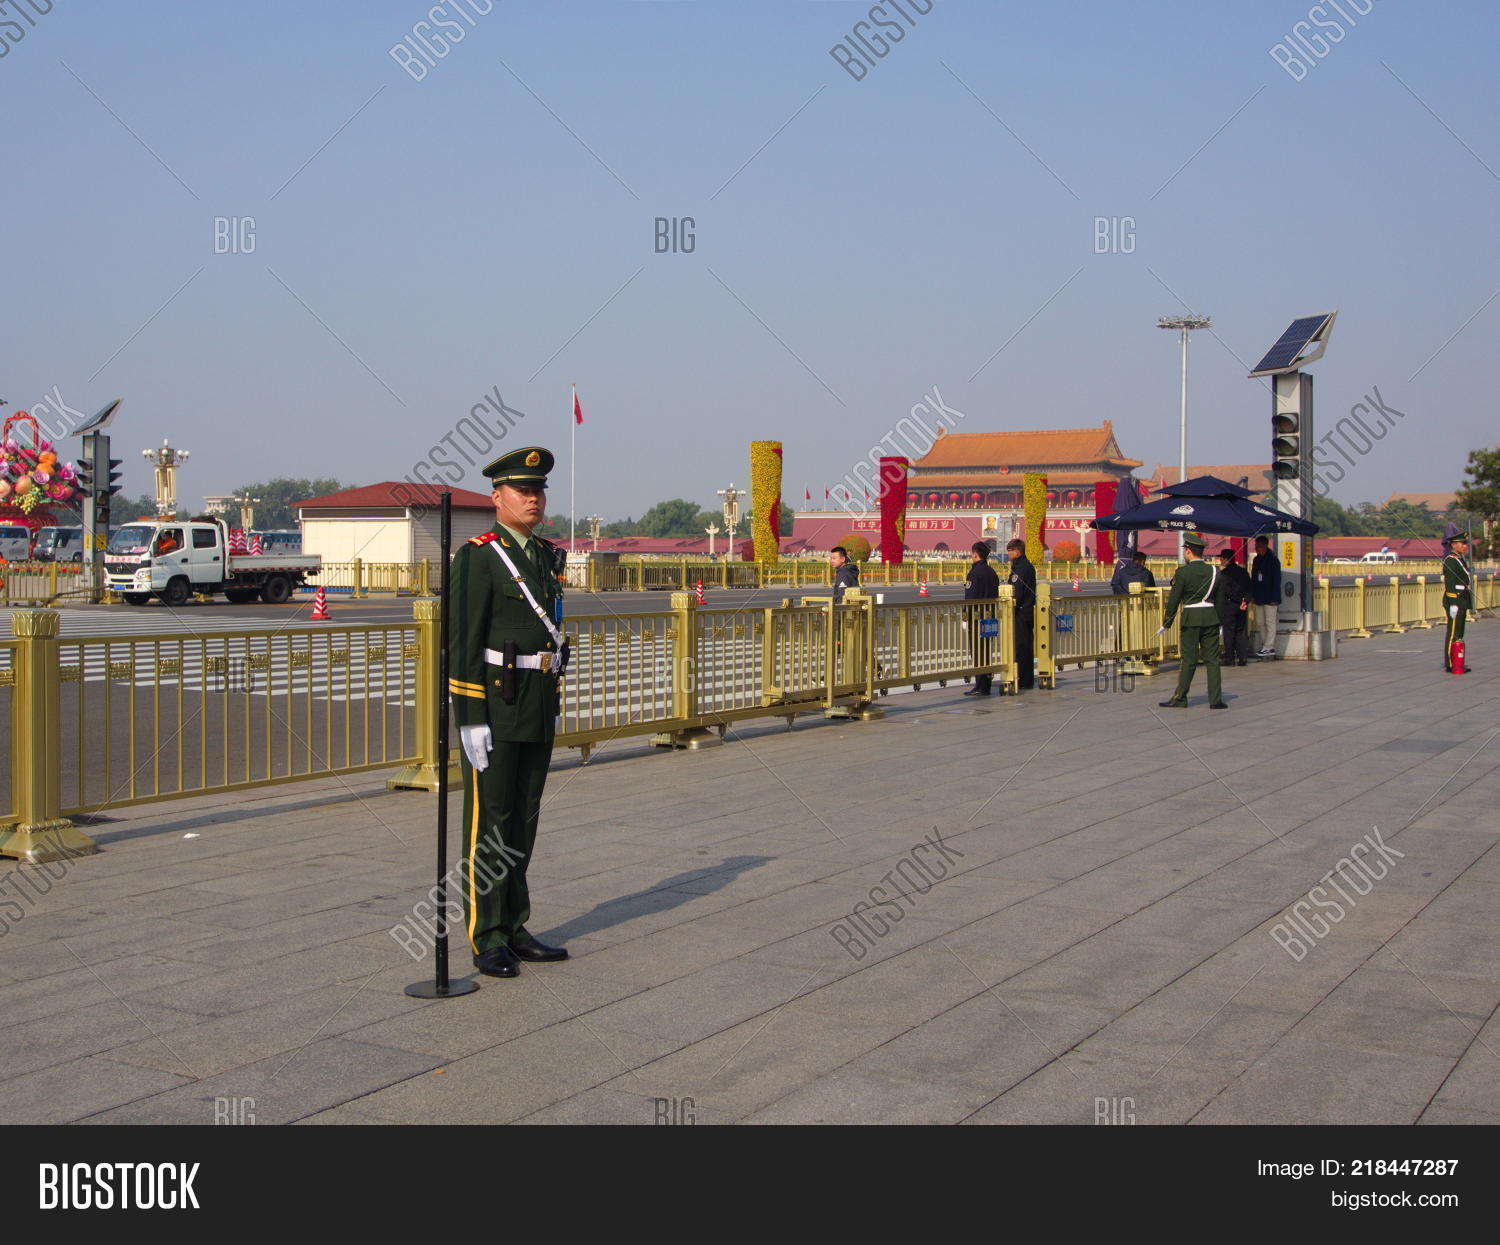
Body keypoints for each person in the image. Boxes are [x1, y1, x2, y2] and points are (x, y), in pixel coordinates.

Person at [449, 446, 570, 978]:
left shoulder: (543, 555)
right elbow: (463, 640)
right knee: (491, 824)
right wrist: (469, 716)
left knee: (524, 819)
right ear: (496, 497)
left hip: (537, 701)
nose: (534, 498)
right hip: (496, 706)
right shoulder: (479, 556)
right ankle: (487, 933)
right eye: (524, 490)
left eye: (539, 490)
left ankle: (516, 924)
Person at [1159, 532, 1228, 709]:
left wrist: (1167, 622)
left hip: (1191, 618)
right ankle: (1216, 700)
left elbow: (1174, 599)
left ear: (1189, 551)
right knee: (1212, 660)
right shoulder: (1215, 571)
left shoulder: (1183, 572)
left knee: (1189, 660)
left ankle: (1181, 698)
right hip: (1211, 617)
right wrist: (1219, 621)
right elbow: (1220, 600)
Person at [963, 541, 1000, 695]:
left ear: (975, 554)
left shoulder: (974, 573)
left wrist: (966, 617)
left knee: (978, 652)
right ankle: (985, 684)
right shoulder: (992, 573)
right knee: (986, 651)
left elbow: (970, 597)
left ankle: (980, 685)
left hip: (977, 618)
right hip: (990, 616)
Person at [1005, 539, 1037, 690]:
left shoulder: (1021, 568)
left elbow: (1016, 591)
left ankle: (1023, 679)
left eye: (1010, 551)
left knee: (1022, 646)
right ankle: (1026, 679)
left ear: (1017, 552)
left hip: (1021, 612)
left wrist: (1011, 607)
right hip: (1027, 611)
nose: (1008, 554)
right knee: (1026, 646)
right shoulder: (1025, 566)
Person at [1216, 547, 1252, 666]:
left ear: (1226, 559)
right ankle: (1242, 657)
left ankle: (1229, 658)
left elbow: (1226, 591)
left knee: (1229, 632)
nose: (1220, 560)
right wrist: (1244, 601)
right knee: (1241, 631)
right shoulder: (1243, 572)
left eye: (1221, 558)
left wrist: (1238, 601)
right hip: (1242, 606)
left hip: (1230, 605)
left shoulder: (1224, 574)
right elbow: (1249, 589)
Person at [1442, 533, 1473, 673]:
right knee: (1453, 632)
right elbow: (1450, 583)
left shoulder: (1459, 559)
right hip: (1455, 599)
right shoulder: (1450, 560)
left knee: (1459, 632)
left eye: (1465, 543)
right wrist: (1453, 603)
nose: (1465, 545)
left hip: (1462, 599)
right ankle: (1450, 662)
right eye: (1462, 543)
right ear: (1453, 545)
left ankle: (1457, 661)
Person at [1249, 535, 1281, 658]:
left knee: (1270, 621)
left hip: (1270, 596)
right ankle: (1265, 645)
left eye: (1259, 546)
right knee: (1260, 622)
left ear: (1265, 546)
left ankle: (1269, 646)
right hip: (1258, 596)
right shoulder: (1256, 560)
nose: (1257, 549)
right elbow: (1253, 578)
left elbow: (1277, 580)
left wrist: (1275, 598)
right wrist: (1252, 595)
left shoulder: (1273, 560)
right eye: (1256, 546)